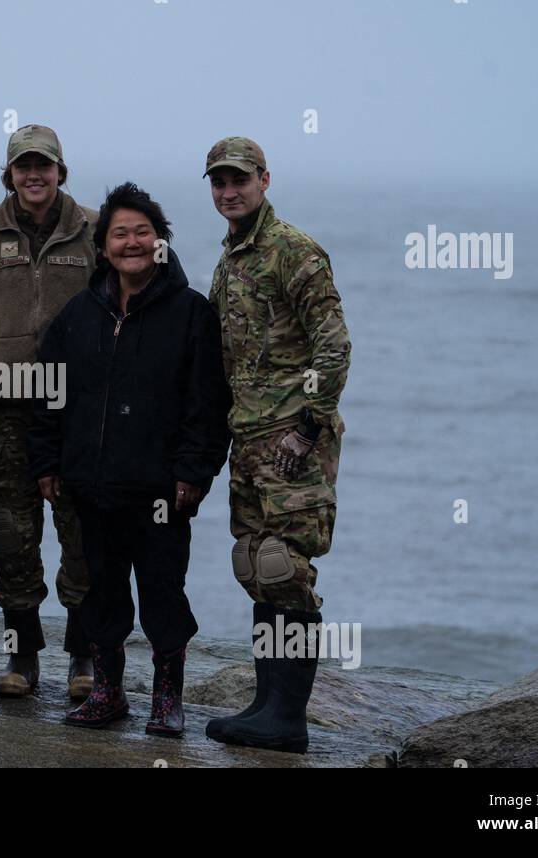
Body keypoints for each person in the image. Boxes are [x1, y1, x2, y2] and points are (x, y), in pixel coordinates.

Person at [27, 183, 230, 735]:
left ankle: (167, 699)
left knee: (163, 592)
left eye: (144, 232)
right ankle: (108, 692)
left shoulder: (191, 314)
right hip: (90, 485)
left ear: (161, 242)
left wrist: (194, 470)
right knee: (102, 591)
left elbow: (208, 405)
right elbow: (48, 393)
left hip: (163, 492)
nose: (132, 242)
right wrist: (46, 462)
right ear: (103, 246)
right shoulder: (78, 315)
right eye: (121, 233)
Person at [0, 124, 99, 700]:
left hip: (75, 410)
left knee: (82, 533)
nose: (35, 175)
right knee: (9, 535)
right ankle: (21, 657)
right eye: (24, 166)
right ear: (9, 173)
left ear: (62, 171)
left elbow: (127, 300)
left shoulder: (94, 231)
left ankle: (85, 657)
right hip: (2, 409)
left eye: (45, 166)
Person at [199, 137, 351, 754]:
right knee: (256, 569)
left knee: (286, 570)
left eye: (239, 180)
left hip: (293, 440)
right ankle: (266, 706)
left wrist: (308, 426)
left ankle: (289, 718)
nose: (229, 191)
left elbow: (334, 345)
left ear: (265, 179)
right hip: (249, 438)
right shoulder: (232, 257)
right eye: (218, 182)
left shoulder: (294, 251)